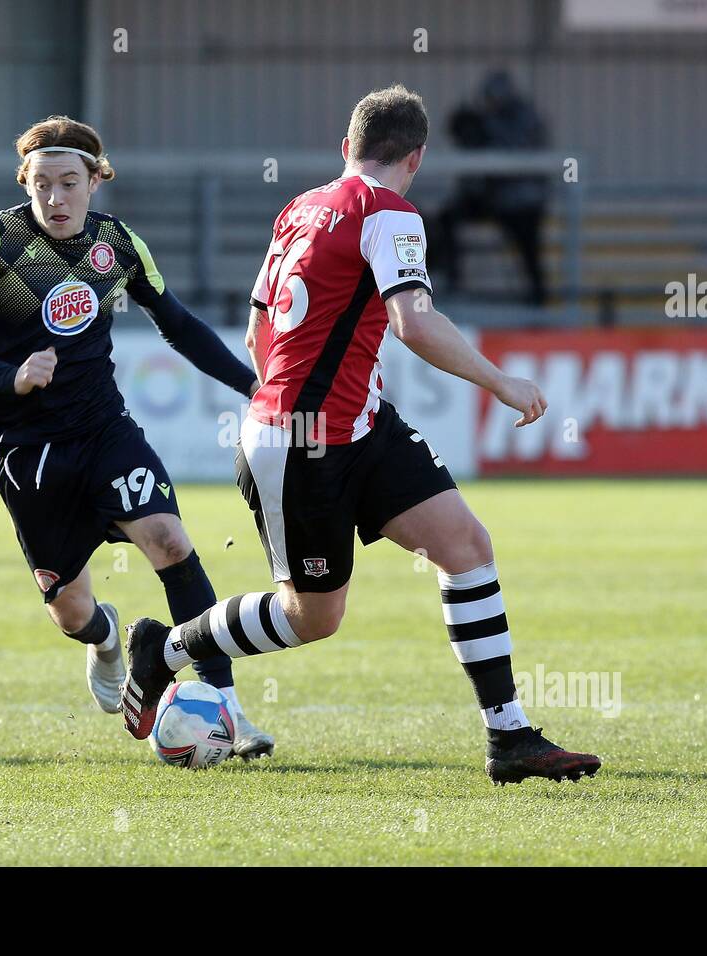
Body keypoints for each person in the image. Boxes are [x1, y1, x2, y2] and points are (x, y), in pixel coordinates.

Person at [117, 87, 600, 785]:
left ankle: (510, 736)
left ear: (346, 147)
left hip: (360, 426)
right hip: (301, 443)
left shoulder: (298, 210)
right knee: (312, 618)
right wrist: (500, 382)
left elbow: (258, 331)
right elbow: (414, 321)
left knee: (465, 545)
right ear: (417, 158)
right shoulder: (393, 212)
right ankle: (165, 649)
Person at [0, 115, 274, 759]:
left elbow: (179, 324)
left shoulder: (117, 244)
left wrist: (257, 387)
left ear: (95, 179)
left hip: (104, 430)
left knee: (170, 541)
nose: (55, 199)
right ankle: (109, 638)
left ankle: (226, 708)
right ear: (25, 184)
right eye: (41, 185)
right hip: (28, 453)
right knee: (72, 612)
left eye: (69, 183)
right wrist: (12, 376)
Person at [429, 71, 549, 306]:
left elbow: (516, 149)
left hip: (523, 204)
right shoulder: (489, 120)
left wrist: (484, 127)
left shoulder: (523, 117)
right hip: (494, 199)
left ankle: (538, 299)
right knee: (447, 218)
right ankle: (454, 280)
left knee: (529, 251)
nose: (489, 104)